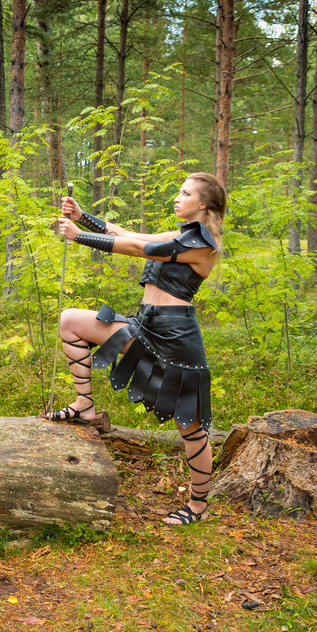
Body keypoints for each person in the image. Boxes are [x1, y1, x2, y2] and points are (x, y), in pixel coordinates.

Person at [43, 172, 226, 526]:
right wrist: (83, 217)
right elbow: (128, 235)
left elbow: (140, 249)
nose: (177, 197)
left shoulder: (202, 243)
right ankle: (84, 405)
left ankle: (199, 506)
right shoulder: (181, 234)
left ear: (203, 204)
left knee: (191, 426)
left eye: (185, 193)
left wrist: (80, 237)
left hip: (177, 339)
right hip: (145, 325)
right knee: (70, 321)